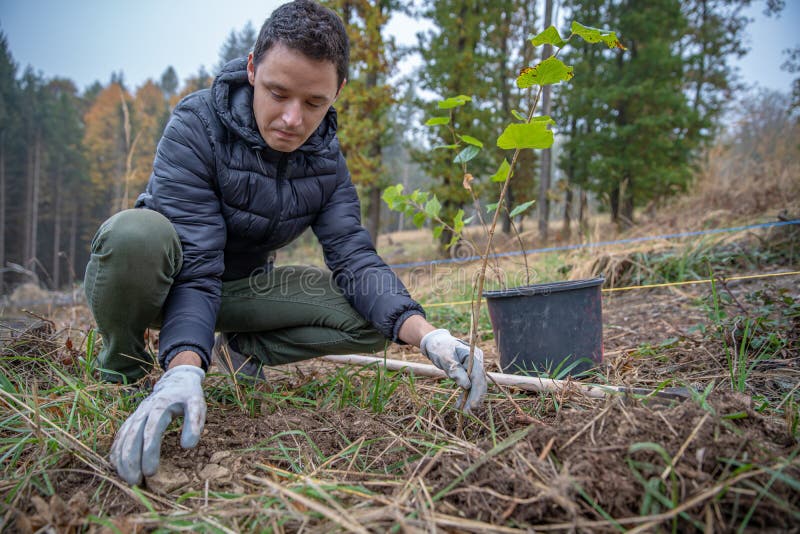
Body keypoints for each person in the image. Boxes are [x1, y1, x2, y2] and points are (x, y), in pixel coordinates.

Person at [86, 0, 487, 486]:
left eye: (314, 103)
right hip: (166, 282)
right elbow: (196, 267)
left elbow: (354, 256)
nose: (293, 119)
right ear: (253, 69)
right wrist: (184, 371)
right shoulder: (196, 128)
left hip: (241, 290)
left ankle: (239, 352)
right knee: (134, 235)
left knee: (375, 317)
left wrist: (429, 336)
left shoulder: (325, 159)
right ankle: (126, 369)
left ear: (338, 91)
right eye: (277, 93)